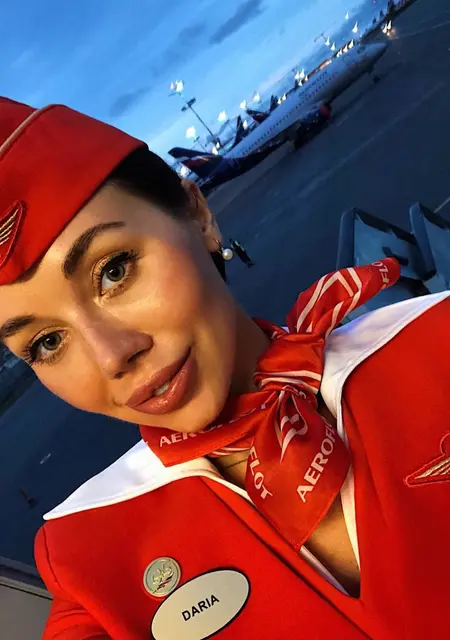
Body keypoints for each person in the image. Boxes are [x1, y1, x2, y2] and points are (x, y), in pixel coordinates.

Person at [0, 96, 449, 640]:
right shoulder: (85, 557)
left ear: (199, 215)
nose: (112, 355)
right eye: (47, 342)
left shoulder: (436, 339)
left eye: (114, 271)